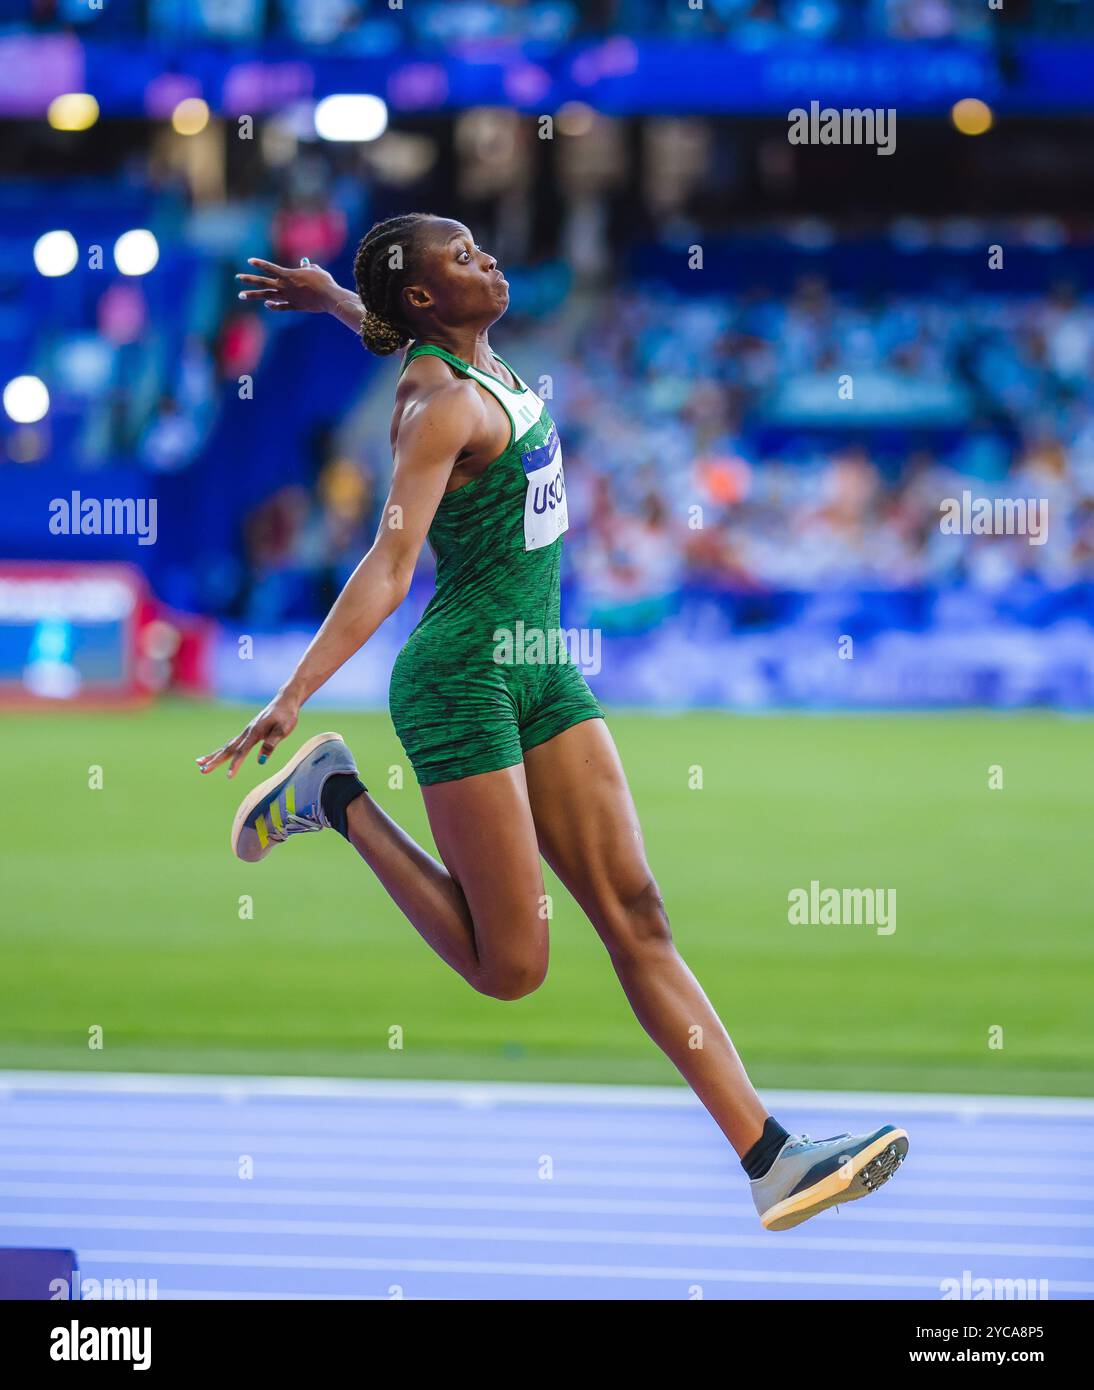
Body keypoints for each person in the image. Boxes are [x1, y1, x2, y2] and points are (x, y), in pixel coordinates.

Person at [197, 214, 908, 1230]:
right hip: (461, 679)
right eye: (459, 257)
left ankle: (770, 1159)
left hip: (539, 669)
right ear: (427, 301)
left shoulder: (473, 365)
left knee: (638, 914)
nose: (486, 257)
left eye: (478, 243)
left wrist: (333, 301)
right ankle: (335, 797)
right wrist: (293, 690)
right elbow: (389, 565)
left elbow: (400, 330)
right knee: (512, 967)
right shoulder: (435, 403)